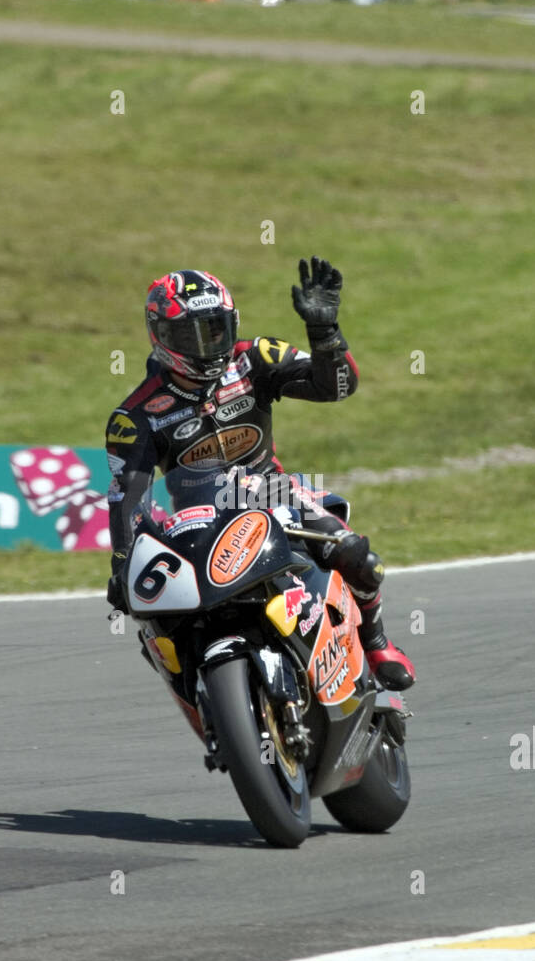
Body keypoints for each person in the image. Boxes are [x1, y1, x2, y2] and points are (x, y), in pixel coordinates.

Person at [104, 259, 415, 691]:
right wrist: (122, 563)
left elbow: (336, 387)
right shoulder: (135, 415)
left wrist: (325, 335)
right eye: (187, 335)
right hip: (198, 518)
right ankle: (206, 697)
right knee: (160, 618)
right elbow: (127, 496)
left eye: (214, 329)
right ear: (160, 336)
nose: (205, 344)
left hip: (272, 490)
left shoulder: (254, 359)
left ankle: (375, 640)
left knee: (357, 555)